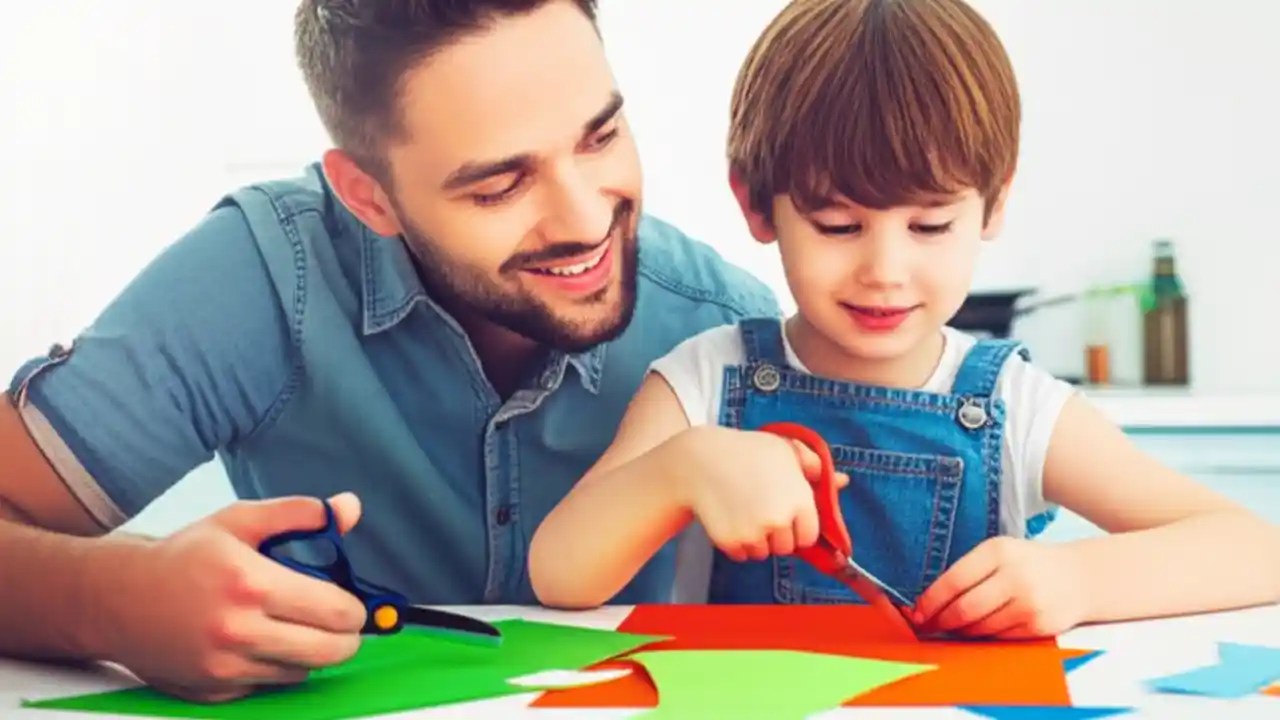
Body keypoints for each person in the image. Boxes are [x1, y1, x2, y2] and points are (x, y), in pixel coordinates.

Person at [0, 0, 777, 703]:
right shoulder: (263, 279)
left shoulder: (723, 330)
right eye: (499, 185)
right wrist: (113, 602)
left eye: (600, 136)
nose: (583, 219)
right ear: (367, 195)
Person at [529, 0, 1280, 638]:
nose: (885, 270)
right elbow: (559, 573)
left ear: (993, 205)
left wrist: (1078, 581)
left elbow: (1257, 549)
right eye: (837, 225)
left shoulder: (1017, 410)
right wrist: (680, 467)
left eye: (929, 227)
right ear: (757, 205)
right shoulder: (703, 379)